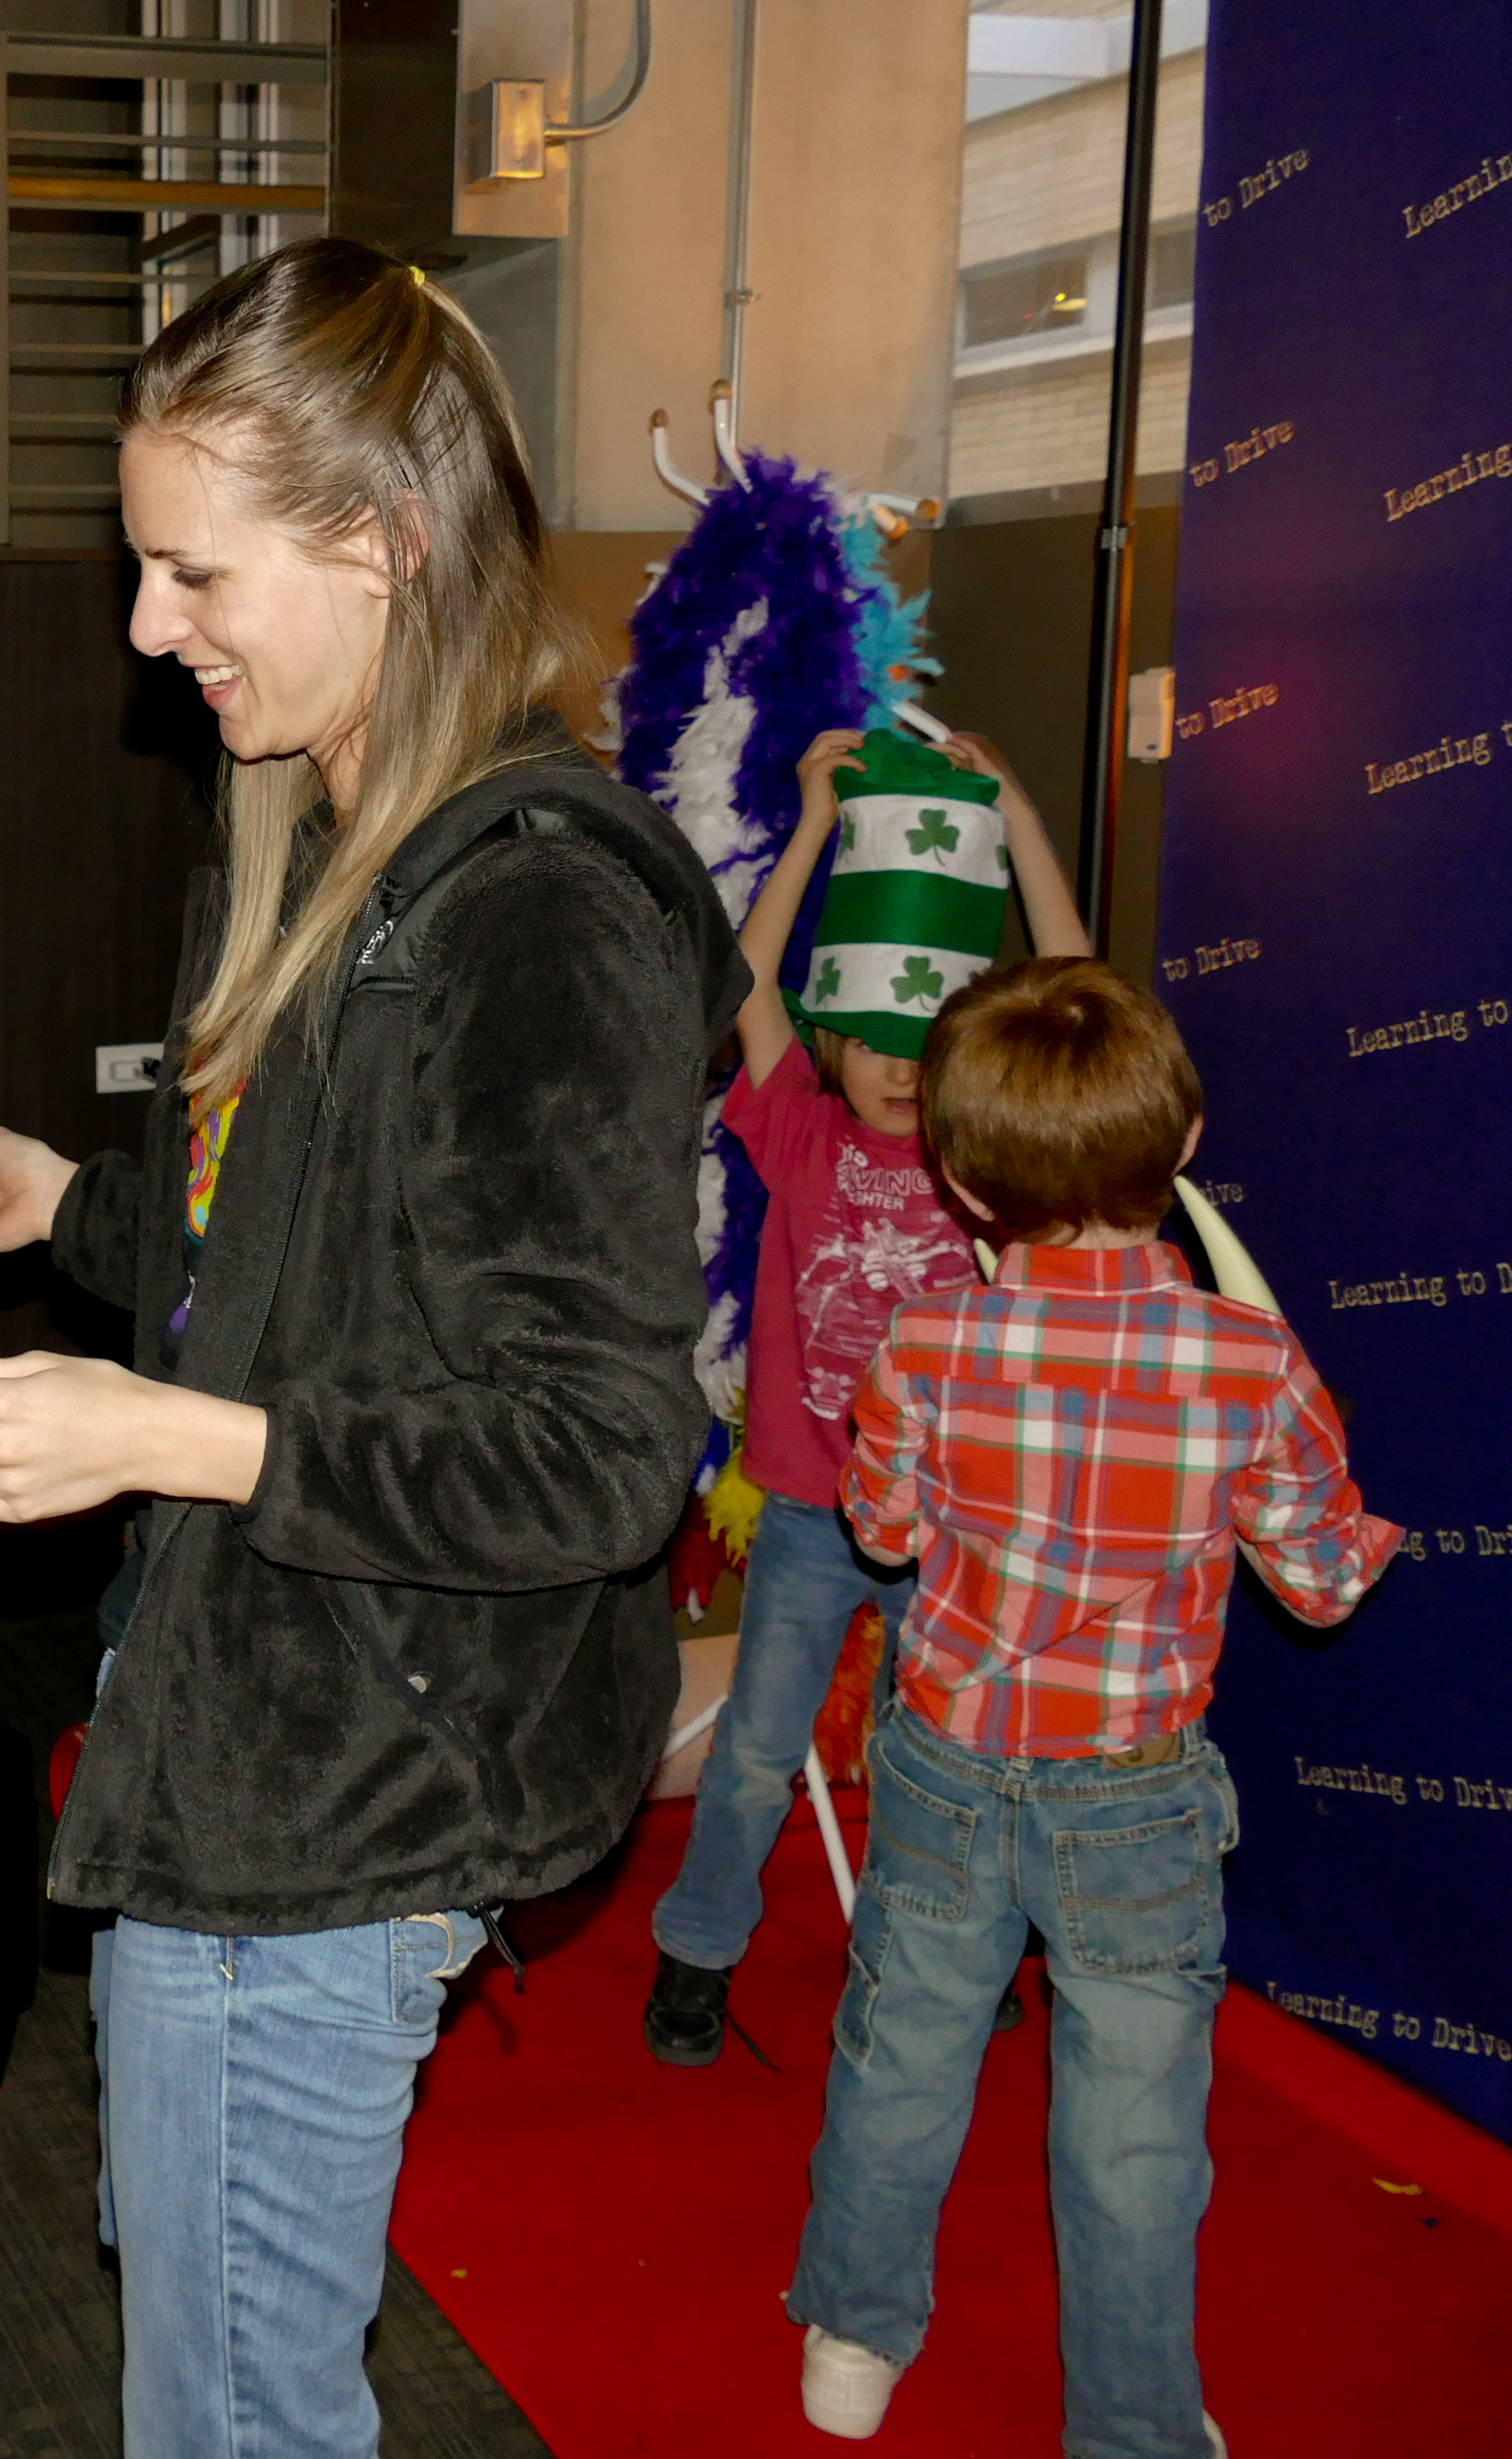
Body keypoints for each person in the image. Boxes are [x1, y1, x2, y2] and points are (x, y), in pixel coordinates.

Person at [0, 236, 747, 2459]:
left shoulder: (532, 901)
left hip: (335, 1808)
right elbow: (309, 1269)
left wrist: (156, 1432)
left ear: (377, 538)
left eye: (189, 572)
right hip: (245, 1748)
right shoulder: (316, 836)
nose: (148, 630)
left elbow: (588, 1453)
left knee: (237, 2415)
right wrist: (71, 1216)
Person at [788, 957, 1398, 2452]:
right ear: (1182, 1145)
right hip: (1129, 1796)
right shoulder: (1247, 1363)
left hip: (938, 1766)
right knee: (1129, 2131)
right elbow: (1316, 1586)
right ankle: (1127, 2428)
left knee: (899, 2054)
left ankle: (850, 2350)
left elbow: (880, 1532)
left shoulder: (925, 1345)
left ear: (955, 1180)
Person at [644, 722, 1093, 2066]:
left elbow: (1075, 990)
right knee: (751, 1757)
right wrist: (814, 829)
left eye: (926, 1038)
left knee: (942, 1767)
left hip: (955, 1527)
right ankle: (696, 1951)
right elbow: (742, 973)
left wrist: (1007, 804)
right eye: (875, 1036)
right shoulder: (794, 1127)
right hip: (804, 1512)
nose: (901, 1064)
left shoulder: (996, 1160)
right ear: (832, 1042)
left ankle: (941, 1954)